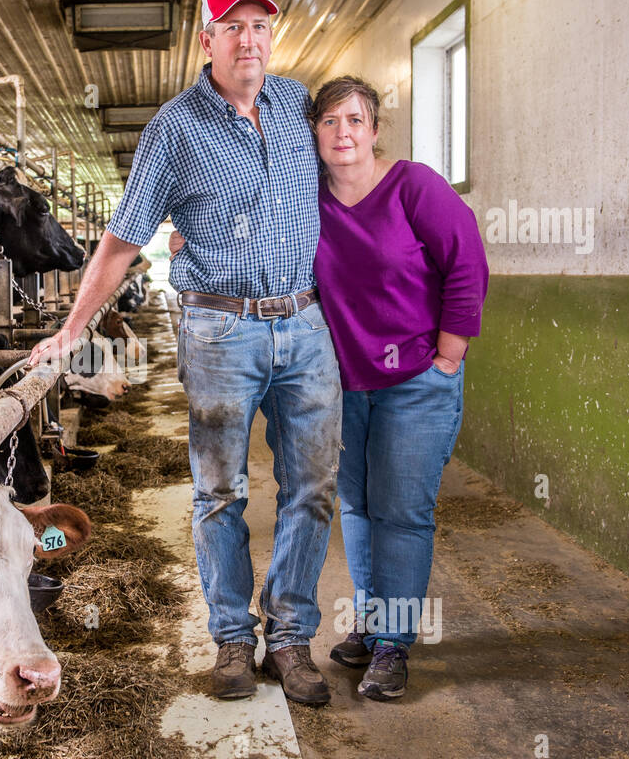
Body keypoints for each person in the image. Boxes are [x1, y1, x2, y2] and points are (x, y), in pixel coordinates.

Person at [29, 0, 342, 706]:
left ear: (273, 35)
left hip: (304, 320)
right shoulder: (174, 127)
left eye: (260, 25)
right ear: (206, 41)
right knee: (219, 491)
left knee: (313, 488)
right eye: (233, 27)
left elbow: (353, 184)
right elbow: (120, 240)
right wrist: (71, 330)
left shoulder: (300, 105)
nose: (249, 39)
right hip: (219, 326)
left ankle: (291, 639)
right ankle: (234, 637)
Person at [173, 77, 489, 701]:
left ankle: (394, 644)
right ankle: (371, 629)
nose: (343, 133)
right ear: (312, 132)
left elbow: (466, 262)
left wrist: (449, 357)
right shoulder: (307, 199)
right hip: (346, 382)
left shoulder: (413, 187)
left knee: (401, 512)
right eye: (329, 122)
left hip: (417, 380)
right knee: (355, 508)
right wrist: (192, 236)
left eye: (355, 120)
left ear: (374, 130)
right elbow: (248, 225)